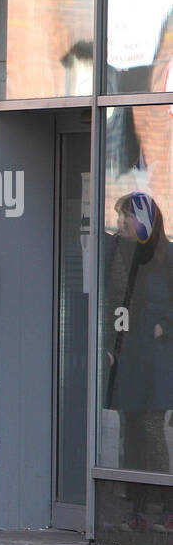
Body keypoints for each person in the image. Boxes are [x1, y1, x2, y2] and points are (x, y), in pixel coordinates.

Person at [104, 192, 173, 473]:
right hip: (128, 354)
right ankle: (134, 501)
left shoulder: (166, 255)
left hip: (156, 355)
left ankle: (161, 499)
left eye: (126, 216)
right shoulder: (116, 251)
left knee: (151, 425)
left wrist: (164, 325)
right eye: (120, 215)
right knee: (129, 426)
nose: (121, 221)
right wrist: (109, 346)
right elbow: (108, 303)